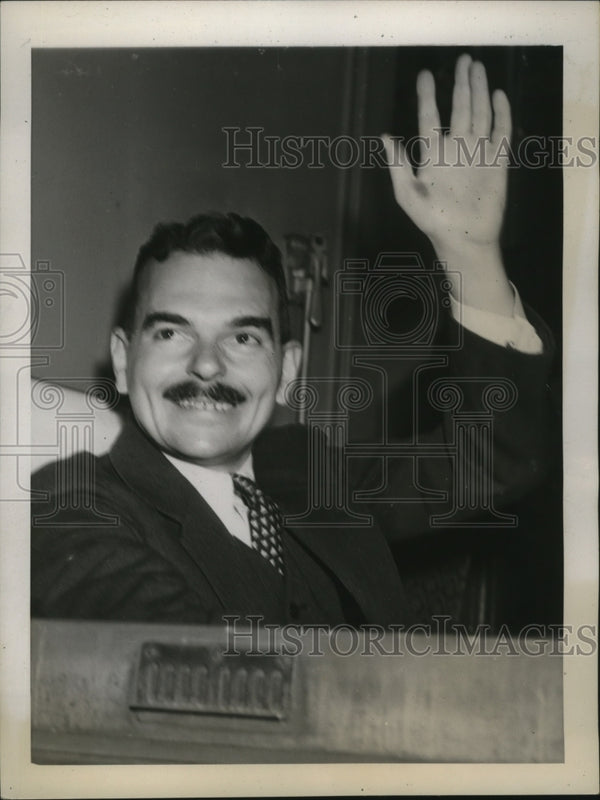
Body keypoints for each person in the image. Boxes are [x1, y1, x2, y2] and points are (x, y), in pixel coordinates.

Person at [31, 55, 553, 627]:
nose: (206, 365)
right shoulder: (73, 503)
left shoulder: (303, 468)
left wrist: (471, 258)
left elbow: (497, 460)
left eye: (244, 337)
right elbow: (195, 674)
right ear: (124, 358)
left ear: (287, 371)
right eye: (172, 331)